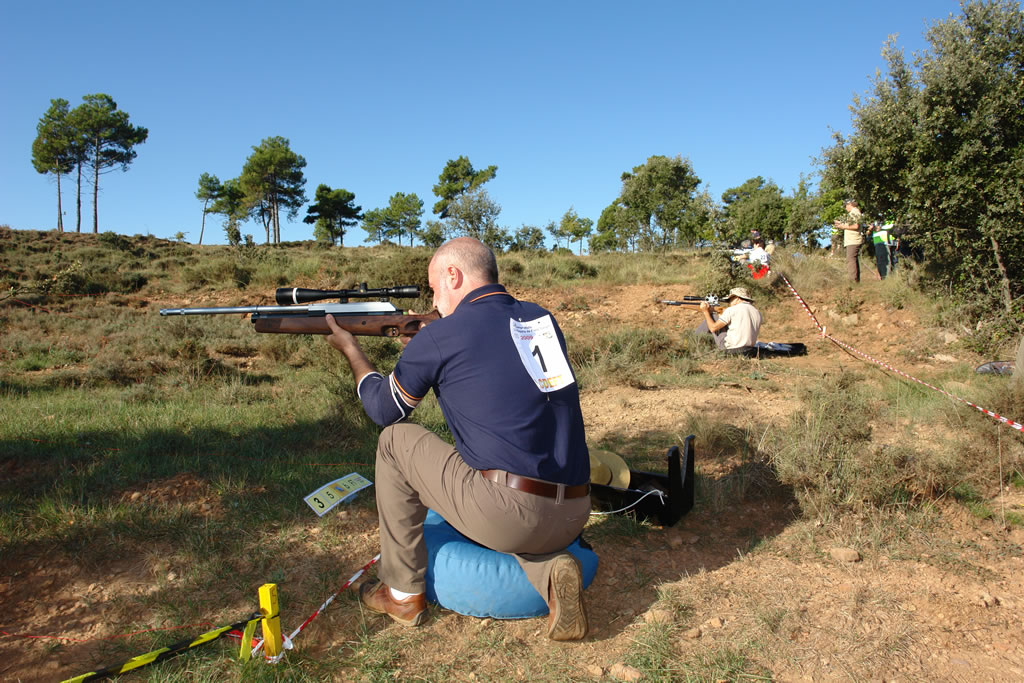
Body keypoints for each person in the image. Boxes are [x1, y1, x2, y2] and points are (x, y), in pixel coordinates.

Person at [323, 237, 591, 641]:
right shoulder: (542, 320)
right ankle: (551, 572)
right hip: (573, 511)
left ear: (453, 275)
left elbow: (383, 410)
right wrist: (426, 347)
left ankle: (401, 593)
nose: (434, 300)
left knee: (395, 441)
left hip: (509, 514)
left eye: (434, 288)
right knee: (504, 466)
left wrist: (352, 351)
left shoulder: (441, 337)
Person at [695, 287, 762, 355]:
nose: (729, 302)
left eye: (730, 299)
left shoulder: (732, 309)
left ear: (737, 298)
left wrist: (705, 311)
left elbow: (713, 328)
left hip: (731, 349)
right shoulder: (757, 312)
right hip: (749, 350)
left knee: (712, 317)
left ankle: (693, 342)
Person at [837, 199, 864, 282]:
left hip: (853, 240)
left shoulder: (854, 212)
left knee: (851, 260)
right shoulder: (855, 213)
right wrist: (841, 224)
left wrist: (843, 227)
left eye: (846, 206)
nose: (845, 208)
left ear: (850, 204)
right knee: (853, 259)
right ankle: (856, 280)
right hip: (853, 240)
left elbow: (855, 226)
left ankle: (853, 280)